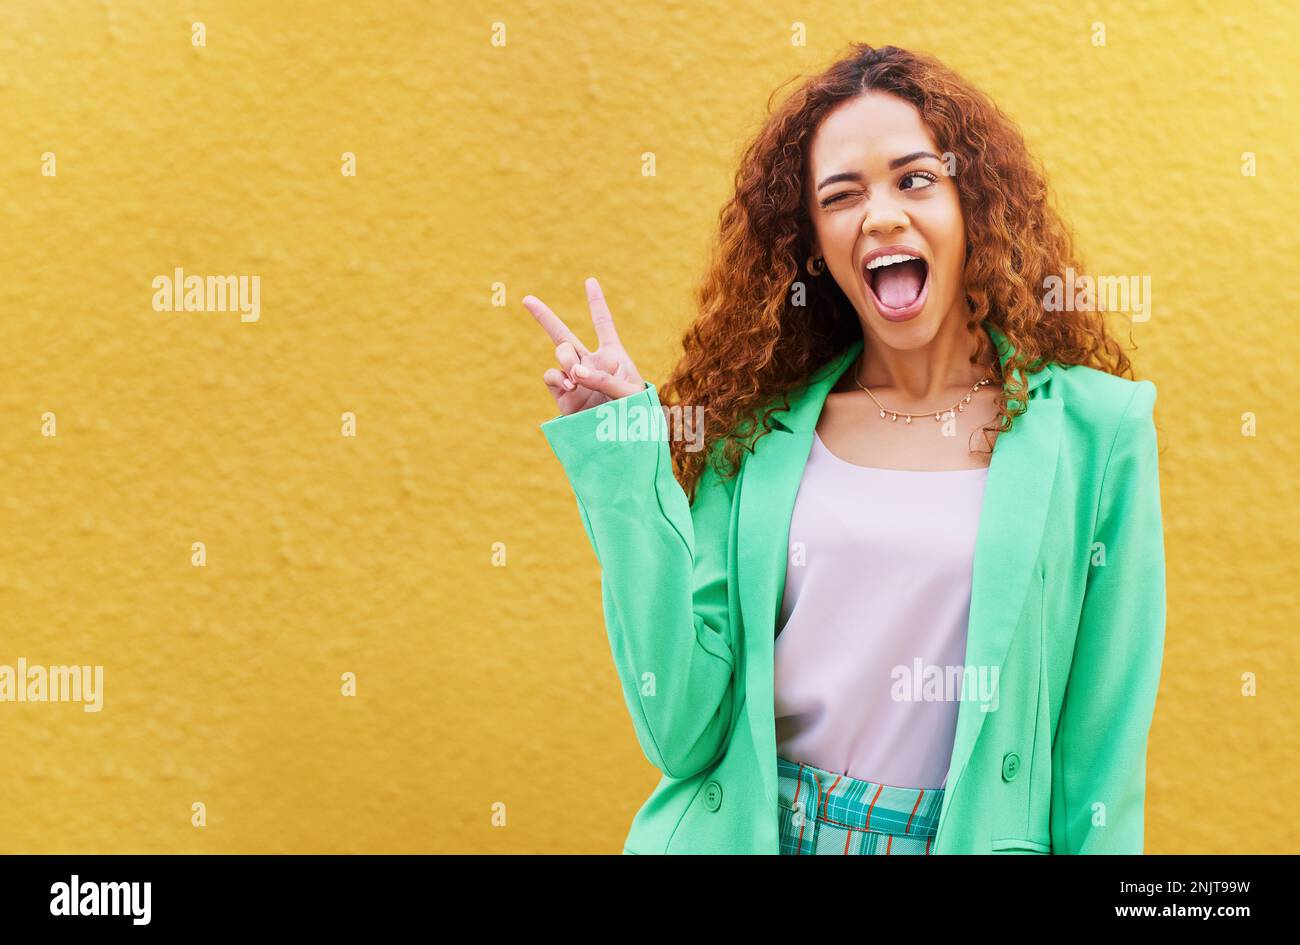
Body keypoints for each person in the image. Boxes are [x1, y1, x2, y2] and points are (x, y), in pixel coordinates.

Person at [525, 43, 1165, 855]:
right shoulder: (755, 431)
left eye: (915, 179)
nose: (883, 215)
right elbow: (680, 730)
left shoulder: (1097, 432)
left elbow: (1101, 754)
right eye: (842, 195)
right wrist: (622, 460)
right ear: (814, 245)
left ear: (976, 205)